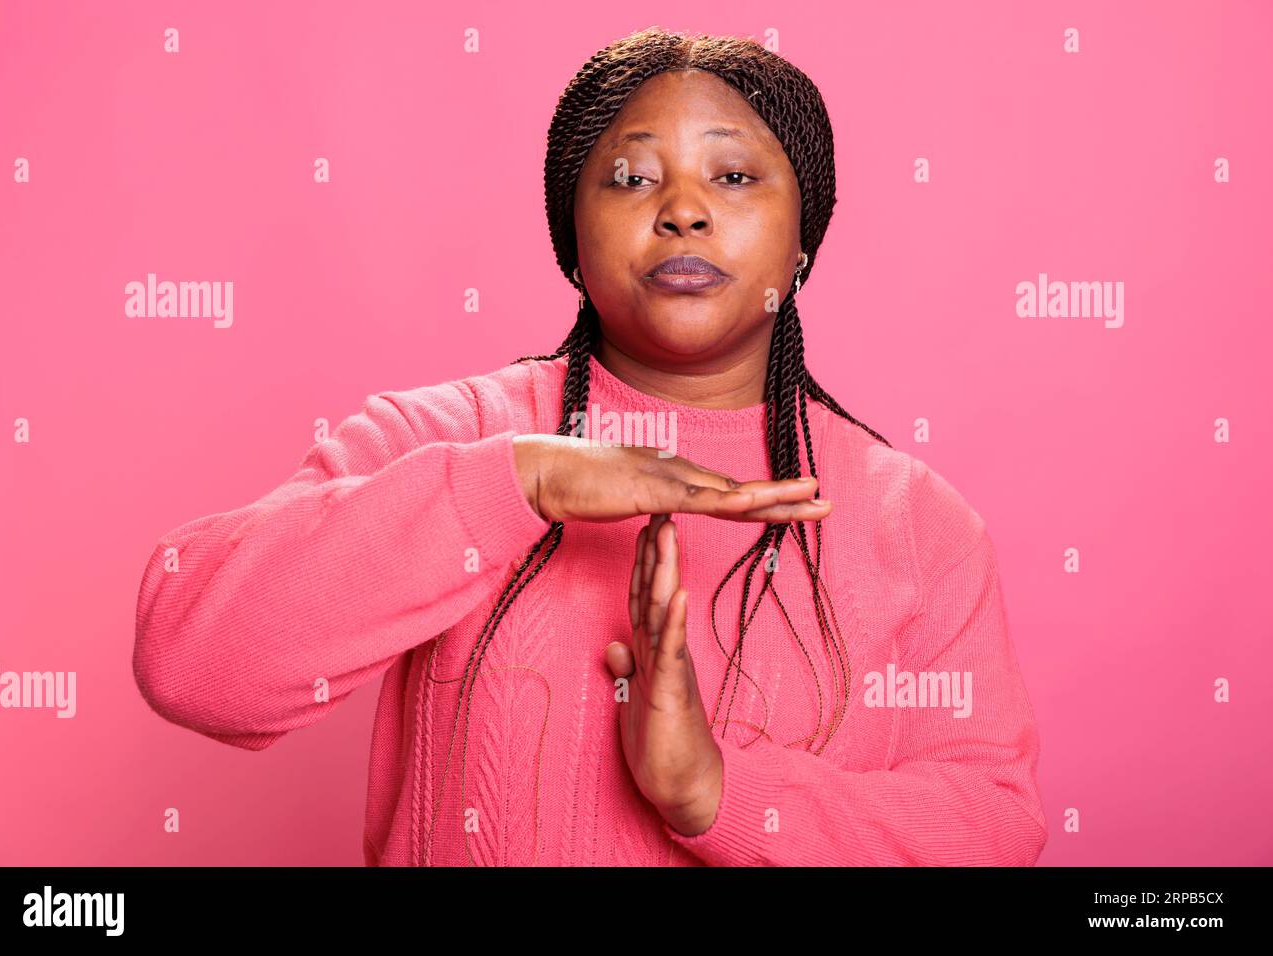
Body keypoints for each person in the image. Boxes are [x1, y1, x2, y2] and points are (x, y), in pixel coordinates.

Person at [132, 27, 1047, 867]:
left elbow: (994, 826)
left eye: (733, 177)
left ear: (805, 236)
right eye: (631, 177)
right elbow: (192, 662)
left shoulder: (916, 520)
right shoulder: (449, 438)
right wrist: (520, 480)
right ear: (570, 238)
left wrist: (715, 793)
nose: (683, 211)